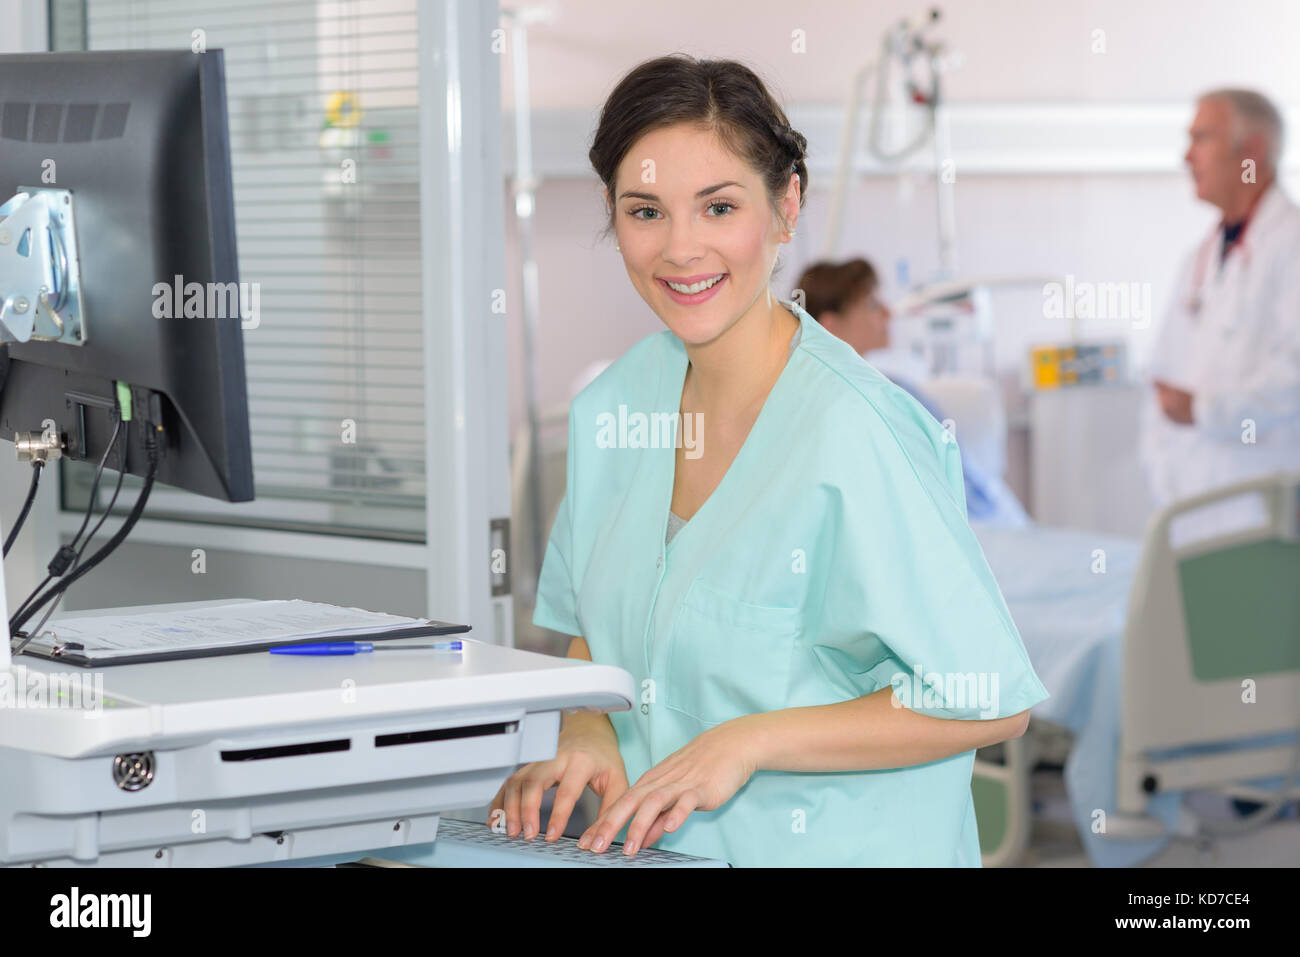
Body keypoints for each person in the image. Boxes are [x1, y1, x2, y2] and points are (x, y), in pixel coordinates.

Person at [495, 54, 1048, 867]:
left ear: (786, 207)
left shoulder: (855, 431)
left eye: (719, 207)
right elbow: (595, 632)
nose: (681, 249)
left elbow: (989, 701)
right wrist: (587, 729)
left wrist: (747, 742)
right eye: (645, 211)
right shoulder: (614, 409)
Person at [1139, 88, 1300, 541]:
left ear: (1251, 152)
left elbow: (1293, 381)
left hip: (1266, 517)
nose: (1186, 157)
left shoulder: (1292, 248)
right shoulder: (1198, 260)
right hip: (1190, 514)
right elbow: (1162, 385)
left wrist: (1205, 410)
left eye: (1201, 138)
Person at [797, 258, 1030, 527]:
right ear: (830, 326)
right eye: (872, 304)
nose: (888, 313)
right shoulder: (875, 397)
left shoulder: (890, 389)